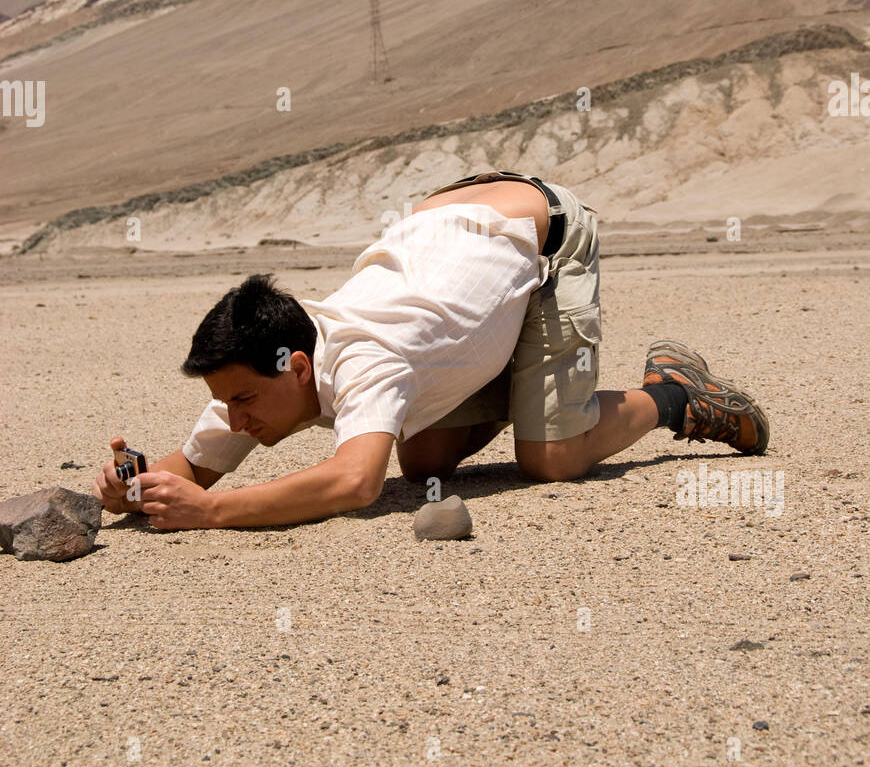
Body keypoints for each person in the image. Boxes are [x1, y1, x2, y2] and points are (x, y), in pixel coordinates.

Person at [93, 170, 769, 531]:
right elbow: (189, 472)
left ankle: (676, 392)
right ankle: (528, 382)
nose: (235, 420)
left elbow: (355, 484)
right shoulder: (259, 369)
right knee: (424, 460)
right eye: (226, 405)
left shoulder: (367, 358)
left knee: (551, 459)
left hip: (541, 230)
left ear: (296, 366)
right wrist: (133, 490)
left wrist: (213, 512)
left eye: (240, 402)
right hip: (448, 224)